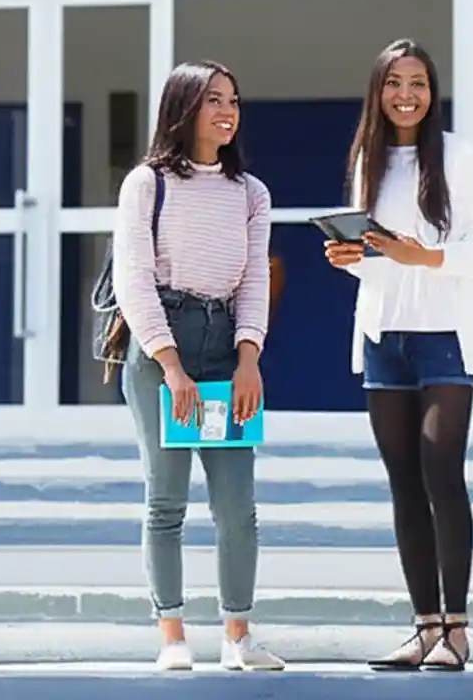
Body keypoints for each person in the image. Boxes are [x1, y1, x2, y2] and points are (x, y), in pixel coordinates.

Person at [323, 38, 473, 672]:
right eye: (395, 82)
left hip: (445, 336)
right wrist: (352, 261)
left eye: (417, 82)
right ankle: (423, 626)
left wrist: (419, 255)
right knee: (402, 484)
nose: (406, 94)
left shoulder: (459, 157)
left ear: (432, 90)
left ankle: (457, 628)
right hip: (384, 337)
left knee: (441, 475)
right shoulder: (367, 159)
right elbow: (376, 264)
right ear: (378, 90)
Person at [113, 60, 284, 672]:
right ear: (184, 108)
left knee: (238, 504)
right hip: (163, 342)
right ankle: (172, 634)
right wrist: (172, 366)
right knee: (166, 500)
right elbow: (134, 281)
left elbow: (254, 284)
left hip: (226, 348)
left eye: (234, 100)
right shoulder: (146, 184)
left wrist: (249, 358)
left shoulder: (251, 193)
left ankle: (238, 635)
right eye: (214, 100)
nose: (228, 111)